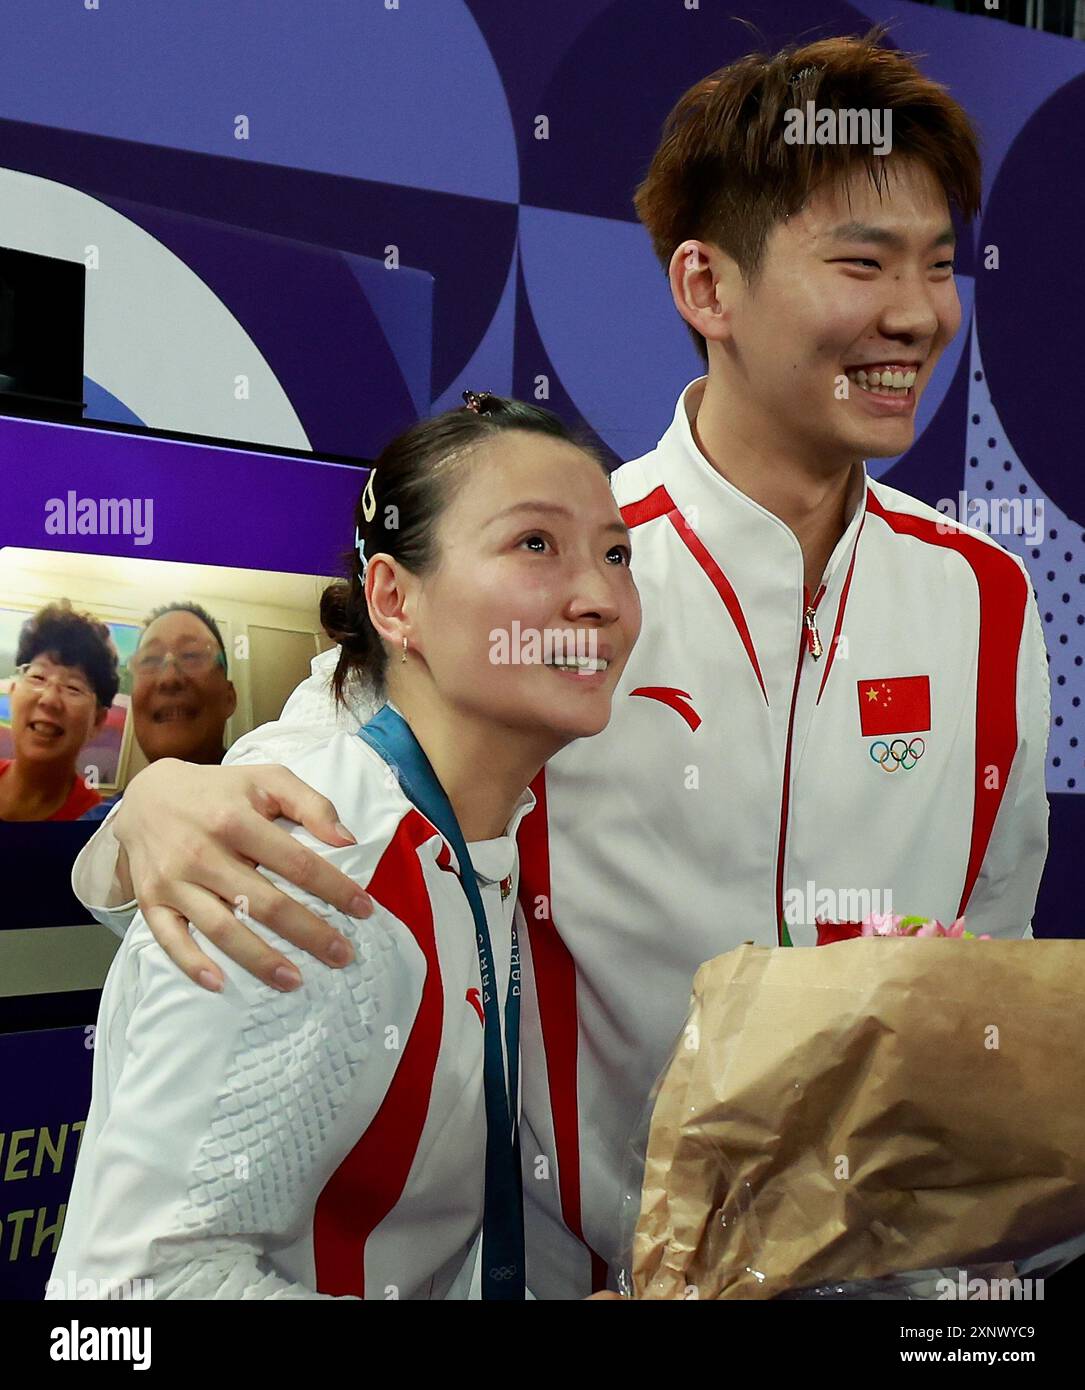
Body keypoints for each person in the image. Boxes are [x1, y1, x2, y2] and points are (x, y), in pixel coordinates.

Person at [71, 32, 1050, 1298]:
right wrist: (146, 802)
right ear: (706, 286)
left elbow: (984, 973)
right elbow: (334, 774)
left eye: (935, 266)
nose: (916, 313)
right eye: (860, 262)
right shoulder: (571, 575)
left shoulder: (983, 594)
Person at [50, 395, 640, 1300]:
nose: (599, 597)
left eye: (615, 554)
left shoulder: (479, 838)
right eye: (534, 544)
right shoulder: (317, 868)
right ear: (395, 601)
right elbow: (127, 1297)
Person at [80, 602, 237, 821]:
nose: (169, 678)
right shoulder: (98, 826)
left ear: (229, 697)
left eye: (191, 655)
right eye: (150, 660)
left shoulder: (279, 804)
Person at [0, 600, 119, 821]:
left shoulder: (92, 825)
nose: (49, 699)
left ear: (98, 721)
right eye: (37, 676)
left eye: (73, 687)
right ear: (13, 692)